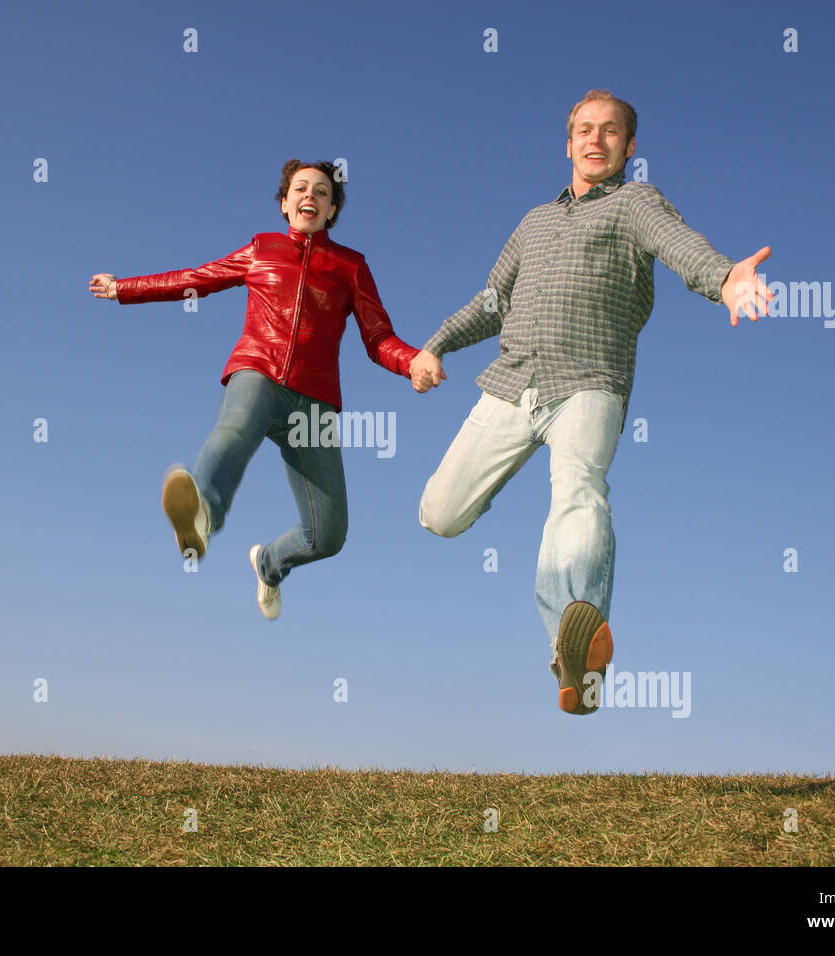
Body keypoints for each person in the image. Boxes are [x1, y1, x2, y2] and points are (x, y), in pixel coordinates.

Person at [409, 90, 773, 715]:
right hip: (512, 380)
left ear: (630, 147)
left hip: (589, 380)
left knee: (577, 492)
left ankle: (575, 651)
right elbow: (493, 301)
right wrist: (435, 344)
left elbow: (678, 244)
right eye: (584, 130)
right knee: (439, 512)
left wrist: (725, 278)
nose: (596, 140)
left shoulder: (637, 203)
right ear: (569, 142)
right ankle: (577, 649)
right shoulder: (533, 222)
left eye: (610, 132)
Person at [90, 159, 432, 619]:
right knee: (234, 429)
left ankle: (269, 565)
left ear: (332, 211)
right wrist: (124, 288)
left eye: (322, 192)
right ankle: (202, 515)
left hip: (314, 404)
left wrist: (411, 362)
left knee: (328, 535)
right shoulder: (262, 249)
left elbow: (378, 338)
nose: (310, 196)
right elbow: (197, 278)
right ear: (285, 203)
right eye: (300, 189)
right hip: (258, 370)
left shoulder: (351, 267)